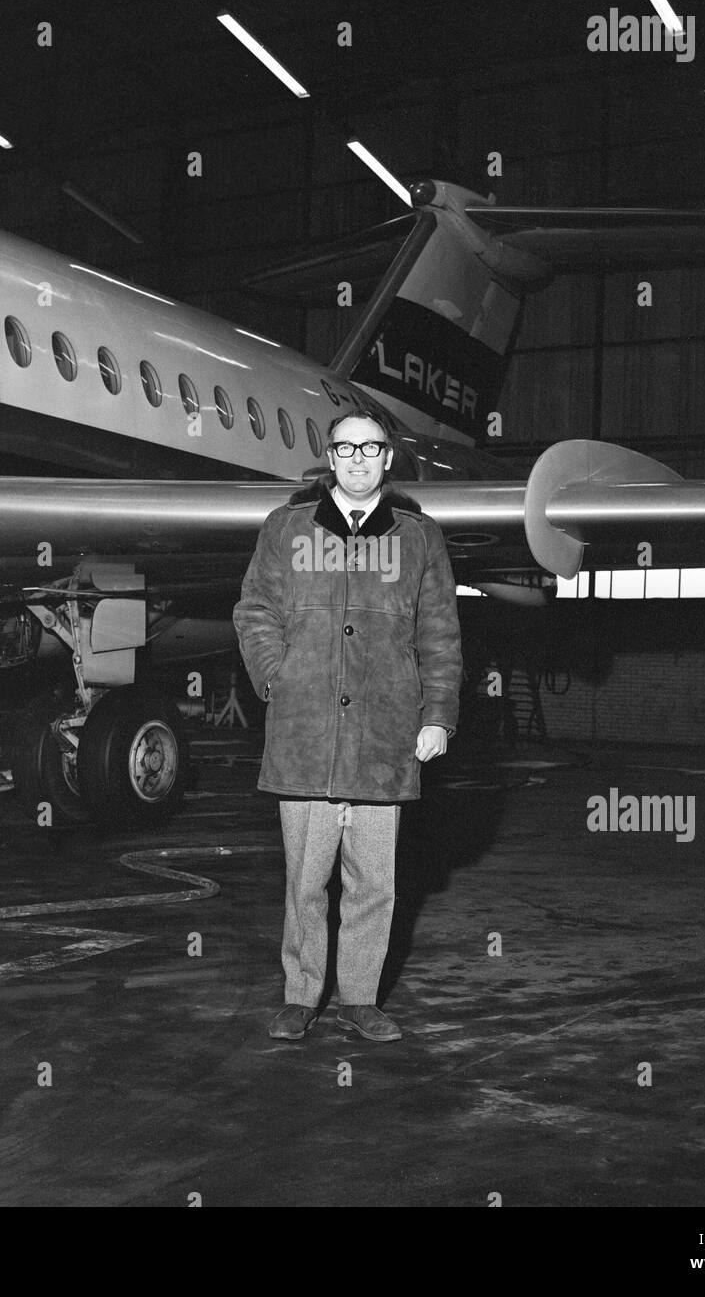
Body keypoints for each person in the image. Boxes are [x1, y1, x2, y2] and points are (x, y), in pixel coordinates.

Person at [233, 407, 463, 1043]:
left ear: (389, 459)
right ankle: (301, 995)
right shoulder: (286, 529)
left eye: (372, 447)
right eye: (346, 447)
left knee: (374, 883)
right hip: (303, 733)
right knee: (304, 881)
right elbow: (254, 611)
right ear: (329, 459)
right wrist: (278, 680)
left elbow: (440, 635)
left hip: (385, 737)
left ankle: (360, 998)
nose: (359, 458)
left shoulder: (419, 538)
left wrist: (437, 715)